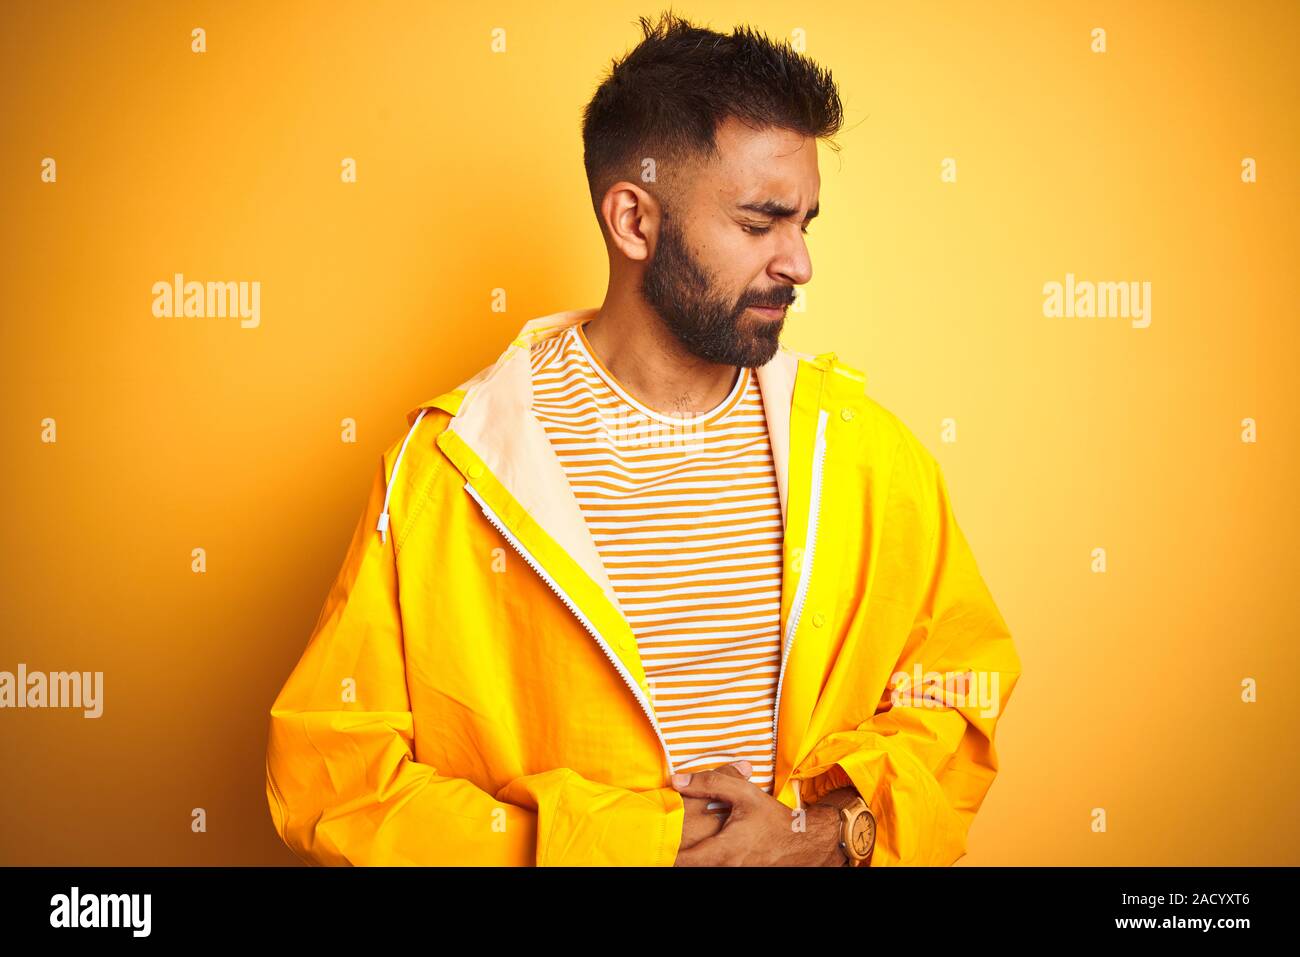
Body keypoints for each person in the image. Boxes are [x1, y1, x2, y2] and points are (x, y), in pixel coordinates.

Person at [265, 10, 1021, 867]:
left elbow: (959, 691)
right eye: (758, 221)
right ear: (634, 220)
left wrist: (827, 834)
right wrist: (627, 848)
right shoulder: (446, 467)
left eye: (805, 222)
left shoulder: (866, 457)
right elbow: (336, 778)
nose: (799, 262)